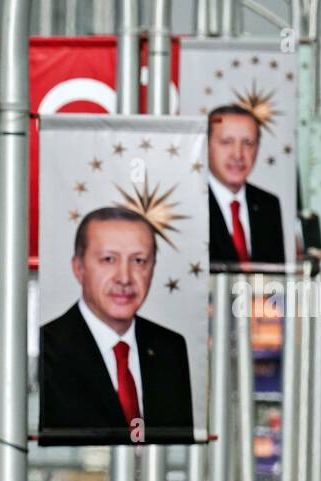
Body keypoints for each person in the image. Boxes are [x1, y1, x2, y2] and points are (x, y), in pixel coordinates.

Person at [39, 207, 194, 445]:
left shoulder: (169, 347)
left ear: (152, 269)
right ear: (78, 268)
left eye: (139, 261)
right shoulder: (47, 346)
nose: (124, 278)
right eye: (109, 259)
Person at [207, 105, 286, 267]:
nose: (238, 154)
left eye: (248, 143)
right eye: (226, 142)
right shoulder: (190, 205)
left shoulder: (268, 204)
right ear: (206, 145)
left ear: (257, 148)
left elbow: (275, 285)